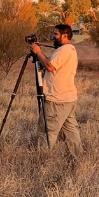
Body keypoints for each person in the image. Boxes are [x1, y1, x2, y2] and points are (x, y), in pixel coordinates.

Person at [28, 24, 82, 155]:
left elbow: (50, 66)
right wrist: (39, 55)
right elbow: (49, 64)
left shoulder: (65, 50)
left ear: (65, 36)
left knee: (46, 132)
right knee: (70, 132)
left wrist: (38, 52)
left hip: (56, 99)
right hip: (67, 98)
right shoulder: (68, 49)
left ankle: (42, 161)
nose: (53, 36)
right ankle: (78, 159)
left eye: (56, 34)